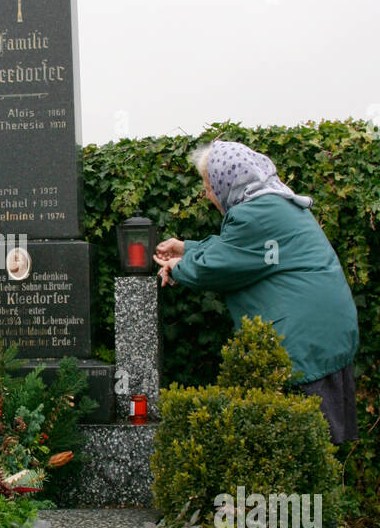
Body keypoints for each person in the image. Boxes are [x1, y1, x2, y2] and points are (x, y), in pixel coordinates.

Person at [154, 140, 359, 445]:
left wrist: (177, 269)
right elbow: (240, 250)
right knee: (319, 456)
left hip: (304, 347)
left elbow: (219, 265)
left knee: (302, 453)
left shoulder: (257, 213)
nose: (208, 194)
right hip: (321, 339)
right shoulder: (271, 203)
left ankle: (304, 497)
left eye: (209, 185)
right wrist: (188, 248)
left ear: (227, 182)